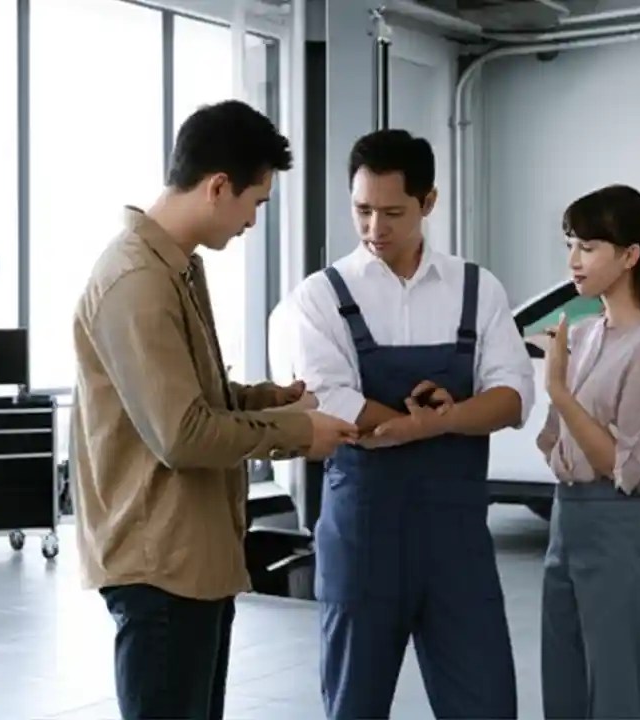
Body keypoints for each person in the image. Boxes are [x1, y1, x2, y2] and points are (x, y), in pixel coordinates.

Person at [69, 99, 359, 720]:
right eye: (256, 203)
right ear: (218, 187)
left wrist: (264, 399)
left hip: (191, 556)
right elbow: (182, 434)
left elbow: (190, 398)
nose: (254, 221)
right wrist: (298, 432)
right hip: (160, 564)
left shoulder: (177, 270)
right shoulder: (137, 282)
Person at [278, 129, 534, 719]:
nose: (374, 229)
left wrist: (430, 426)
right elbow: (327, 395)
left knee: (486, 702)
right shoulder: (319, 296)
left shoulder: (477, 288)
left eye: (392, 212)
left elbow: (514, 395)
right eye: (361, 210)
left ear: (429, 202)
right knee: (354, 706)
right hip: (363, 537)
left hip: (457, 541)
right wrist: (434, 420)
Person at [536, 184, 640, 720]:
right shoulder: (583, 332)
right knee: (563, 681)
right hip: (566, 518)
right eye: (570, 245)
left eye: (589, 246)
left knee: (616, 686)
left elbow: (617, 462)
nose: (574, 260)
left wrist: (557, 388)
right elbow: (557, 444)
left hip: (617, 522)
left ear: (629, 256)